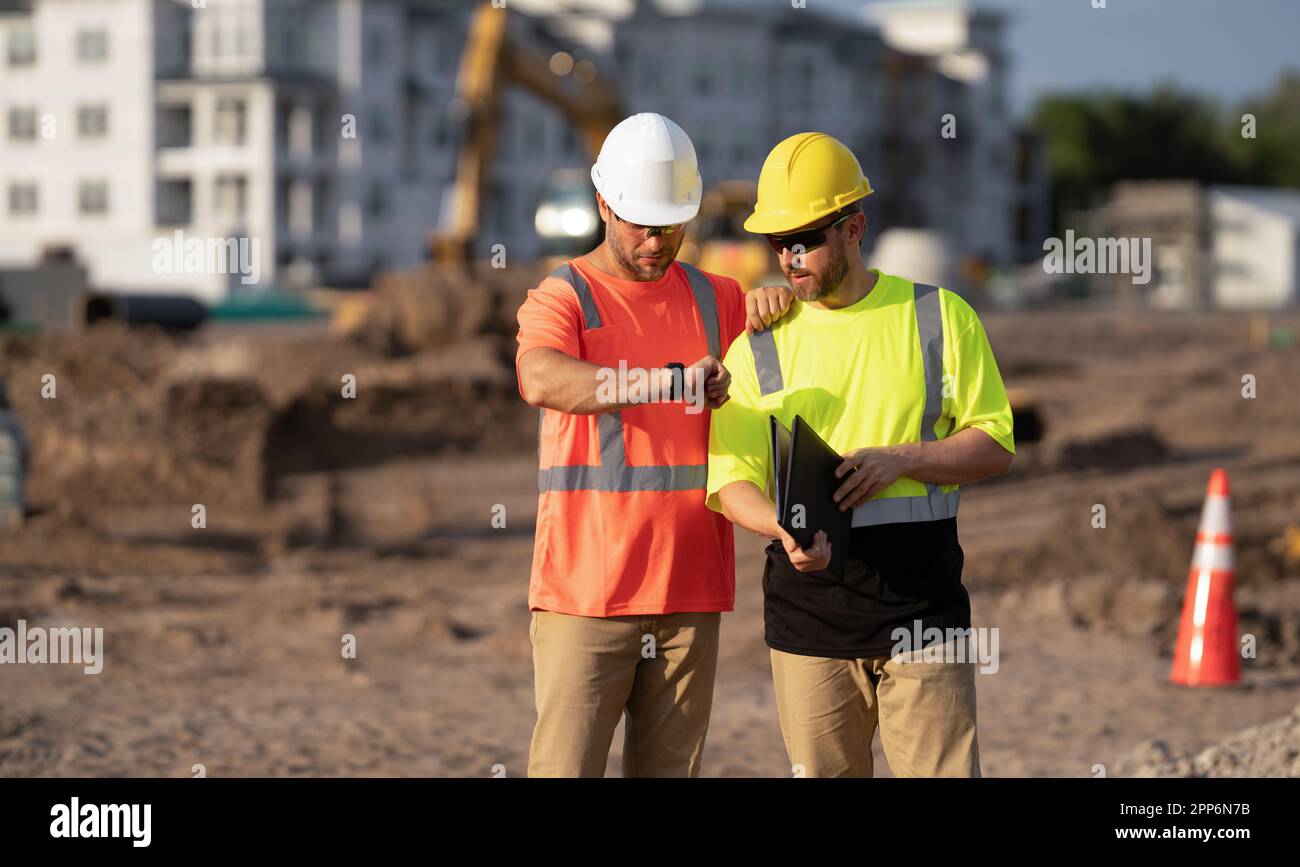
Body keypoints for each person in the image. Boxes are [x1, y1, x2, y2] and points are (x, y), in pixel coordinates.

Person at [706, 132, 1015, 777]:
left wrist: (902, 459)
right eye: (778, 243)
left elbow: (993, 444)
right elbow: (732, 479)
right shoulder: (757, 345)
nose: (790, 259)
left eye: (806, 240)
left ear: (855, 228)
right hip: (810, 616)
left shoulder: (937, 317)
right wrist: (782, 528)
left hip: (923, 609)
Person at [515, 112, 793, 777]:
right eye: (640, 221)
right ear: (604, 202)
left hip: (690, 595)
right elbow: (541, 376)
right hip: (587, 596)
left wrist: (777, 310)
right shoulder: (565, 297)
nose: (655, 238)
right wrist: (667, 382)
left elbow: (783, 392)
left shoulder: (717, 298)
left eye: (670, 223)